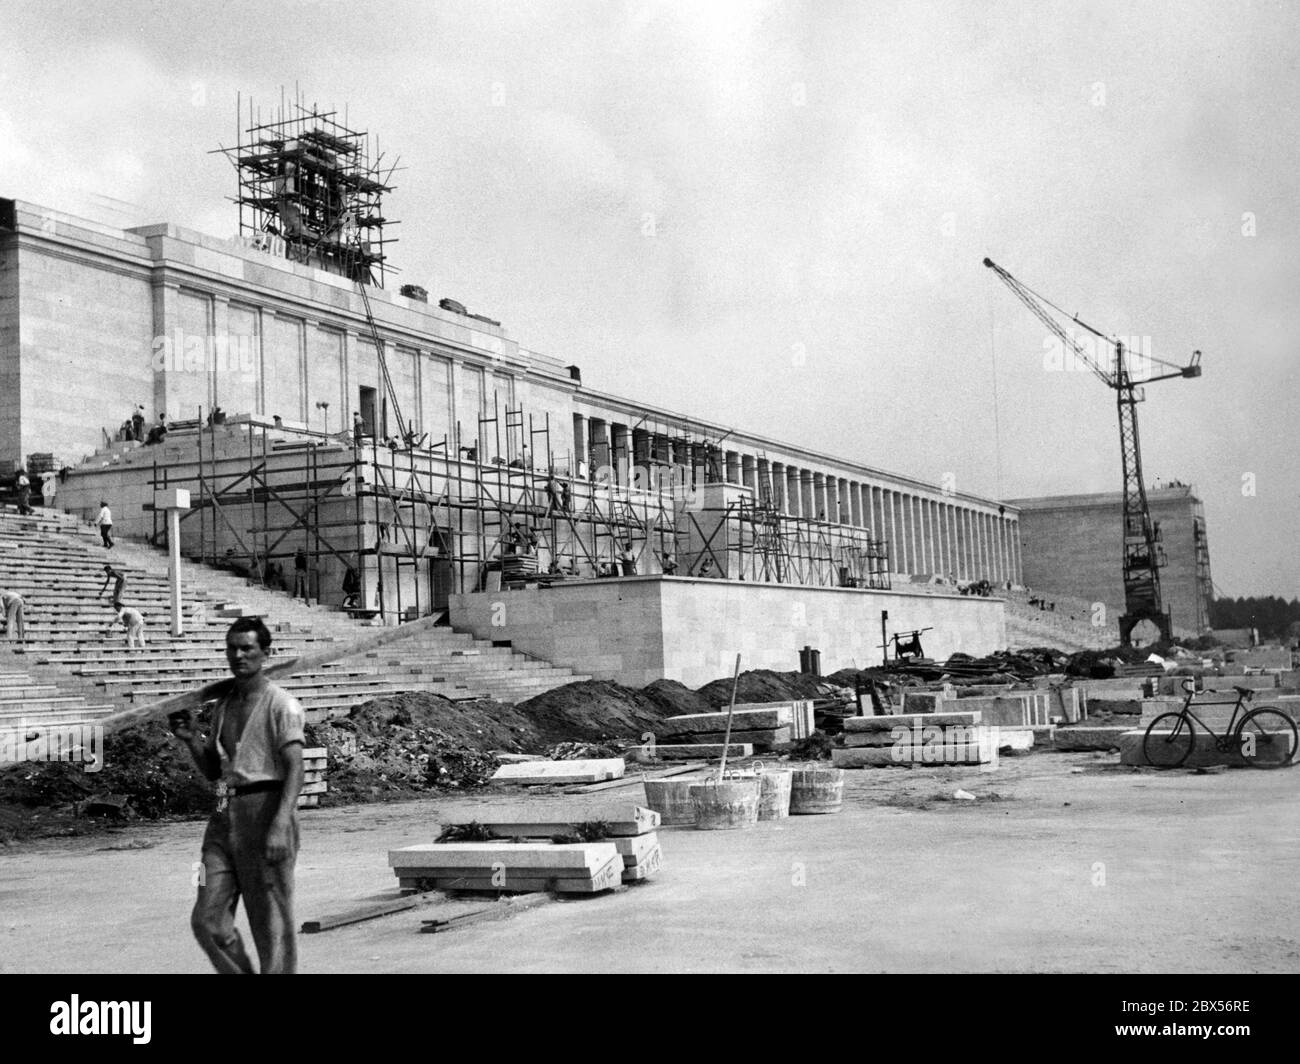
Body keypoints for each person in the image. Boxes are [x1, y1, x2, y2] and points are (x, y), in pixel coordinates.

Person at [168, 617, 305, 975]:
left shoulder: (282, 705)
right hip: (223, 810)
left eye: (247, 648)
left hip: (267, 809)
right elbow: (214, 769)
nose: (238, 655)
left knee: (270, 921)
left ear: (265, 653)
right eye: (232, 648)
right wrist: (190, 739)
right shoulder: (223, 705)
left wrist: (280, 823)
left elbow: (295, 769)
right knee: (205, 919)